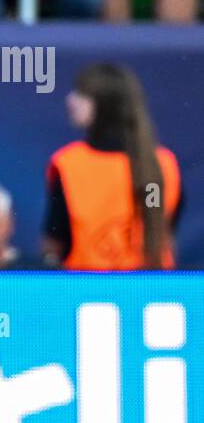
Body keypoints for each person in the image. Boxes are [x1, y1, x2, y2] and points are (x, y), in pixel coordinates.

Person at [44, 63, 182, 271]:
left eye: (81, 94)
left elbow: (54, 243)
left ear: (103, 104)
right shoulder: (162, 164)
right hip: (154, 291)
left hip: (84, 291)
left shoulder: (70, 165)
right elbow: (165, 228)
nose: (70, 100)